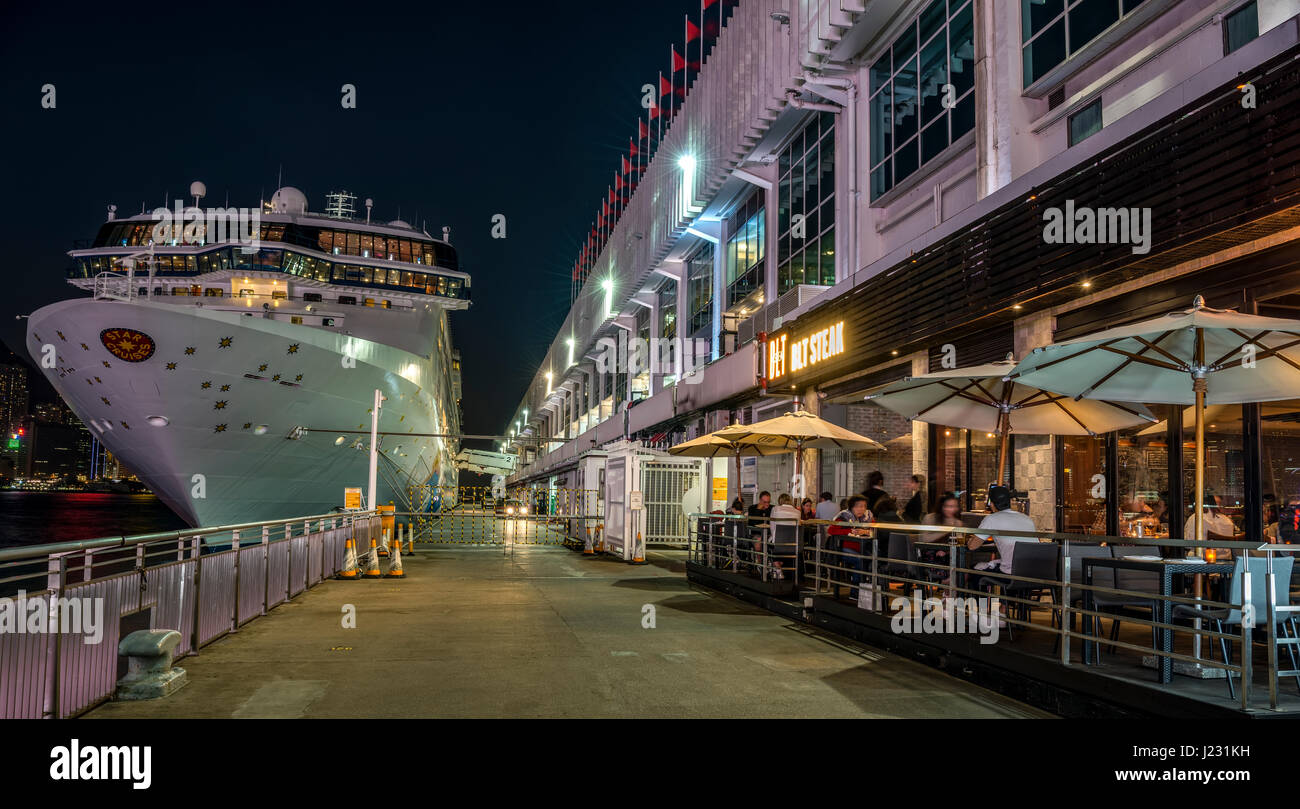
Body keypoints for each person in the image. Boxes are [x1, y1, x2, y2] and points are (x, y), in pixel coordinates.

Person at [971, 485, 1037, 573]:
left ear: (992, 504)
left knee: (973, 570)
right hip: (1034, 572)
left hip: (1012, 573)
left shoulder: (991, 519)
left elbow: (972, 546)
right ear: (1009, 502)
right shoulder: (1027, 518)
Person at [828, 495, 873, 598]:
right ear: (852, 507)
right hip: (843, 548)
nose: (861, 509)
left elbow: (874, 530)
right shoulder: (843, 516)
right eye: (858, 506)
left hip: (863, 548)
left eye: (863, 506)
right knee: (861, 560)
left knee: (873, 559)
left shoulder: (868, 517)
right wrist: (851, 531)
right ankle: (855, 592)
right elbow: (831, 530)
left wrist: (865, 531)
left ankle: (867, 591)